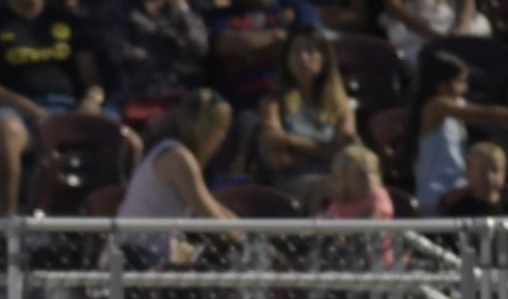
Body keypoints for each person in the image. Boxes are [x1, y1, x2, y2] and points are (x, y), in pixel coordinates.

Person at [0, 0, 110, 218]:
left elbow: (93, 81)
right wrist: (30, 108)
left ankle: (104, 225)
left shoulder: (68, 20)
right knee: (7, 131)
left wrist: (91, 101)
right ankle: (6, 222)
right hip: (15, 110)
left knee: (118, 132)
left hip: (68, 108)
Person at [412, 50, 508, 219]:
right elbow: (486, 115)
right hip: (436, 196)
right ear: (442, 85)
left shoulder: (457, 104)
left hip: (461, 191)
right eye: (460, 82)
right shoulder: (435, 106)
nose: (466, 88)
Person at [119, 89, 239, 269]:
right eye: (221, 130)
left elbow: (214, 204)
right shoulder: (178, 157)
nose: (222, 140)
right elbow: (208, 213)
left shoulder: (171, 150)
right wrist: (246, 240)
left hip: (146, 255)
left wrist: (251, 231)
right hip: (136, 258)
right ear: (207, 129)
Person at [258, 26, 355, 209]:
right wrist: (325, 153)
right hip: (292, 183)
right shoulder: (273, 104)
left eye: (310, 51)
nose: (303, 57)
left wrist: (289, 141)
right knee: (329, 189)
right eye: (296, 51)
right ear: (286, 59)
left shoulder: (342, 108)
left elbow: (345, 154)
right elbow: (277, 162)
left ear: (324, 58)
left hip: (337, 180)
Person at [98, 0, 208, 129]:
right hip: (135, 95)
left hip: (180, 95)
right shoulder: (119, 9)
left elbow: (199, 50)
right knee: (106, 125)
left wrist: (183, 15)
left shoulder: (185, 10)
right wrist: (168, 54)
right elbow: (121, 53)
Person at [206, 0, 319, 107]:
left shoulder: (299, 9)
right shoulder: (221, 16)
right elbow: (225, 44)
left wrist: (251, 51)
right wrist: (277, 35)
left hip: (293, 98)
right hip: (241, 102)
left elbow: (309, 46)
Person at [442, 141, 508, 216]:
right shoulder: (457, 206)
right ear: (468, 172)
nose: (489, 177)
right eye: (482, 171)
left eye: (495, 171)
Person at [380, 0, 488, 58]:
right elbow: (393, 8)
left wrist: (459, 34)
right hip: (414, 28)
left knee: (480, 28)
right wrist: (431, 35)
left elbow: (467, 4)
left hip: (449, 22)